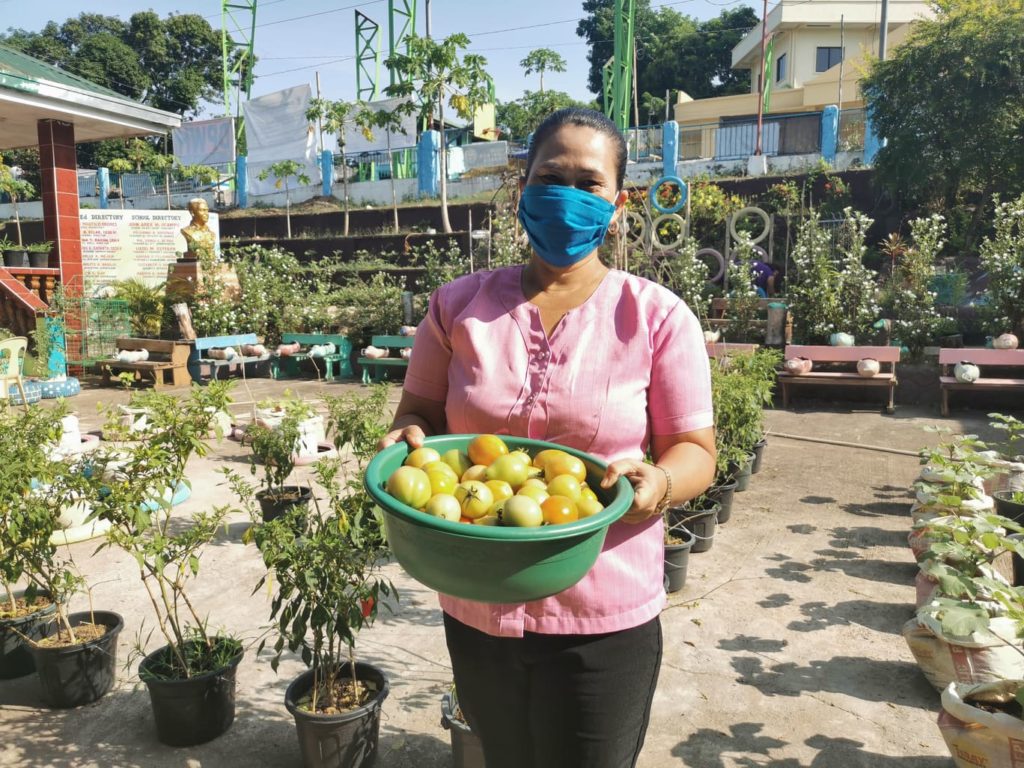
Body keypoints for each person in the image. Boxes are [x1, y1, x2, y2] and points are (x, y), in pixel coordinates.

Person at [380, 107, 716, 768]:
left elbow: (696, 451)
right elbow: (416, 410)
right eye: (549, 176)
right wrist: (407, 441)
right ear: (522, 192)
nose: (565, 194)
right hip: (478, 603)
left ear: (617, 204)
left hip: (605, 613)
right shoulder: (456, 308)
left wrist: (662, 481)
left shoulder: (656, 316)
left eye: (587, 182)